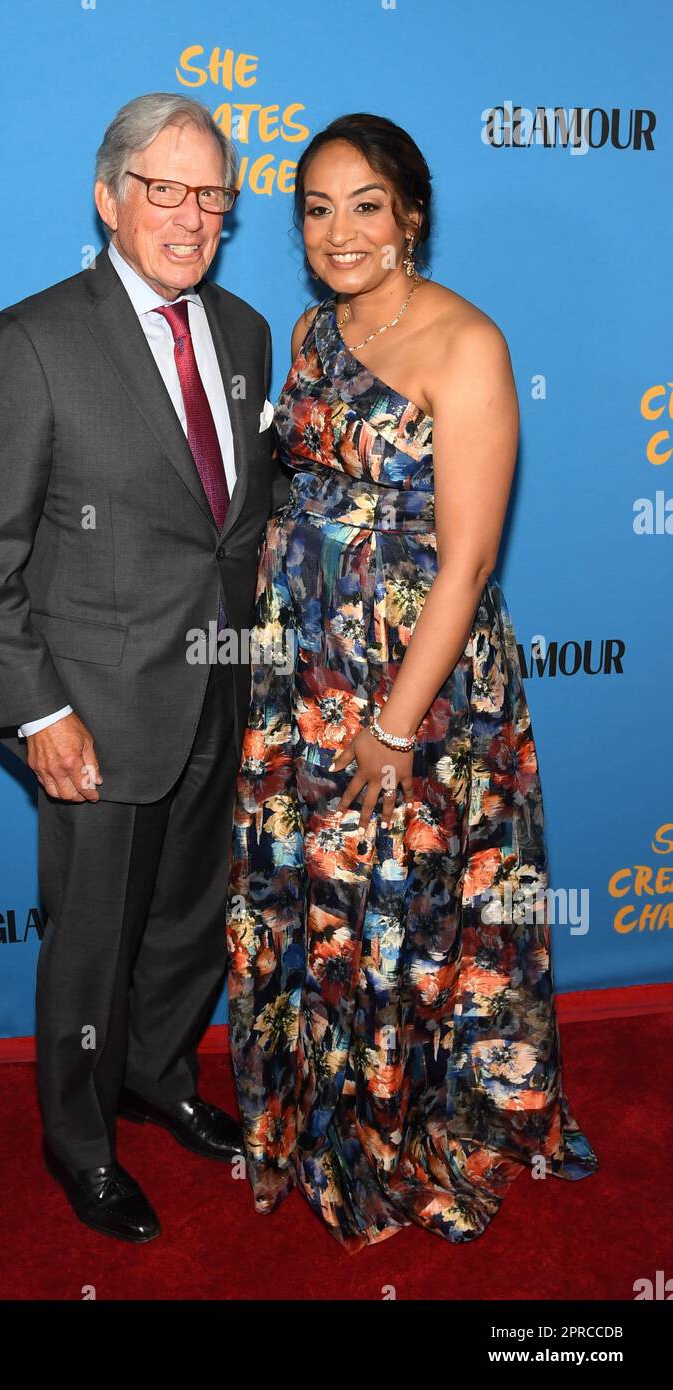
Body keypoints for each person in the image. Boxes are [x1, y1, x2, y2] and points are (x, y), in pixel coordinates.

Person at [226, 112, 599, 1252]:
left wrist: (392, 727)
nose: (339, 232)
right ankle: (318, 1111)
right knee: (316, 903)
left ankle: (407, 1128)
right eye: (316, 207)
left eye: (365, 205)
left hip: (416, 689)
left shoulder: (464, 345)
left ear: (411, 217)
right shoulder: (307, 330)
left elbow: (468, 557)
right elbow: (292, 501)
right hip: (302, 673)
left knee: (403, 902)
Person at [0, 92, 288, 1244]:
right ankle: (79, 1137)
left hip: (219, 689)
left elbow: (231, 526)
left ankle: (157, 1077)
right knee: (92, 942)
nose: (190, 218)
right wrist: (38, 709)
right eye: (164, 190)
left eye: (212, 197)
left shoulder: (244, 333)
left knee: (190, 918)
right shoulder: (32, 339)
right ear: (108, 197)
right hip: (94, 709)